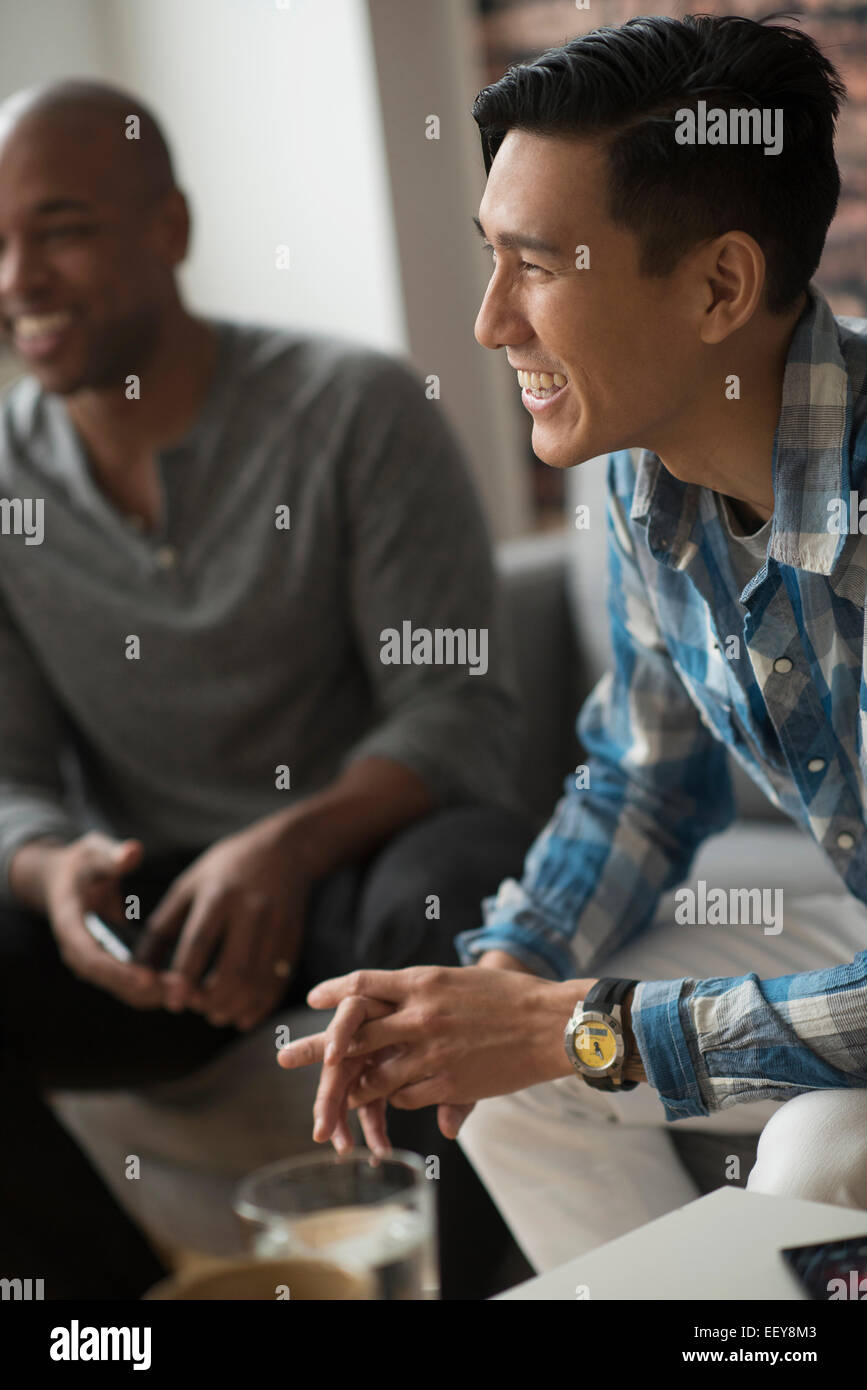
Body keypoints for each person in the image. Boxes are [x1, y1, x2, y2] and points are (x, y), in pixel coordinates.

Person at [278, 13, 867, 1273]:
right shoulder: (647, 484)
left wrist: (578, 1025)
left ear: (719, 287)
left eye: (537, 266)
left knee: (823, 1150)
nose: (493, 323)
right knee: (499, 1072)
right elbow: (643, 786)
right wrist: (492, 985)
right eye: (492, 258)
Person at [0, 79, 533, 1297]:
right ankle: (117, 1314)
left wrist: (286, 845)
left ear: (169, 230)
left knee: (459, 893)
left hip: (363, 862)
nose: (19, 276)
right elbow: (12, 780)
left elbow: (462, 710)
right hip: (164, 911)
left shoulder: (352, 408)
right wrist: (54, 873)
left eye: (62, 228)